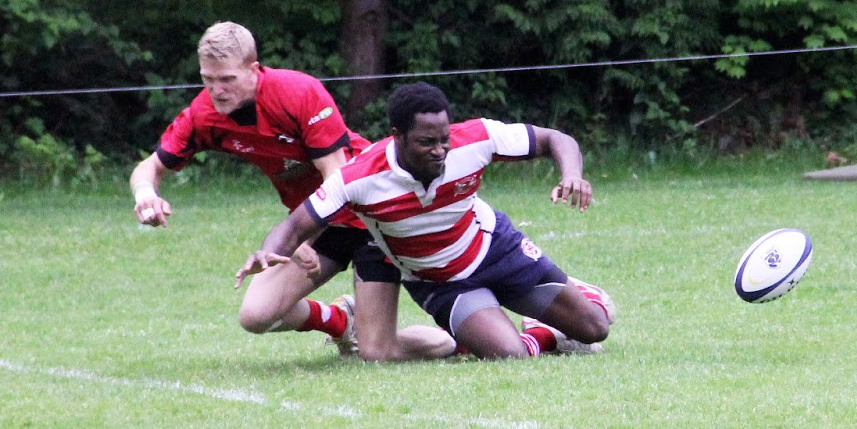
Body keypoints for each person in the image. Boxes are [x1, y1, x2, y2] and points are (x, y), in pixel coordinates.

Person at [129, 22, 453, 359]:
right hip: (315, 222)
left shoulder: (297, 92)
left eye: (227, 79)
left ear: (253, 70)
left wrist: (303, 237)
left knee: (376, 352)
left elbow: (338, 181)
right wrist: (145, 195)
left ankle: (461, 338)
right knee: (255, 316)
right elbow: (149, 167)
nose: (217, 90)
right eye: (208, 79)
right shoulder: (204, 114)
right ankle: (340, 321)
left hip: (368, 214)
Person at [235, 82, 614, 362]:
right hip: (439, 281)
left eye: (443, 139)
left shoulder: (474, 139)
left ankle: (573, 299)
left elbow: (554, 139)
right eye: (426, 142)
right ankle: (541, 334)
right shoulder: (360, 177)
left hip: (496, 250)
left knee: (596, 328)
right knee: (509, 356)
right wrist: (268, 252)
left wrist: (572, 174)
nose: (440, 150)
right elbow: (297, 225)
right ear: (397, 136)